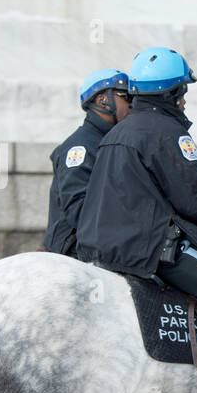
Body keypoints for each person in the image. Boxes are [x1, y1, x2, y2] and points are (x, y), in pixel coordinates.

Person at [77, 47, 197, 314]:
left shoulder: (115, 135)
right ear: (172, 94)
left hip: (101, 251)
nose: (185, 102)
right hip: (150, 250)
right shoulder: (169, 134)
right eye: (183, 92)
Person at [43, 68, 131, 257]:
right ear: (103, 100)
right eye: (126, 97)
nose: (133, 105)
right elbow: (80, 212)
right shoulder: (81, 147)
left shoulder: (110, 142)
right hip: (74, 254)